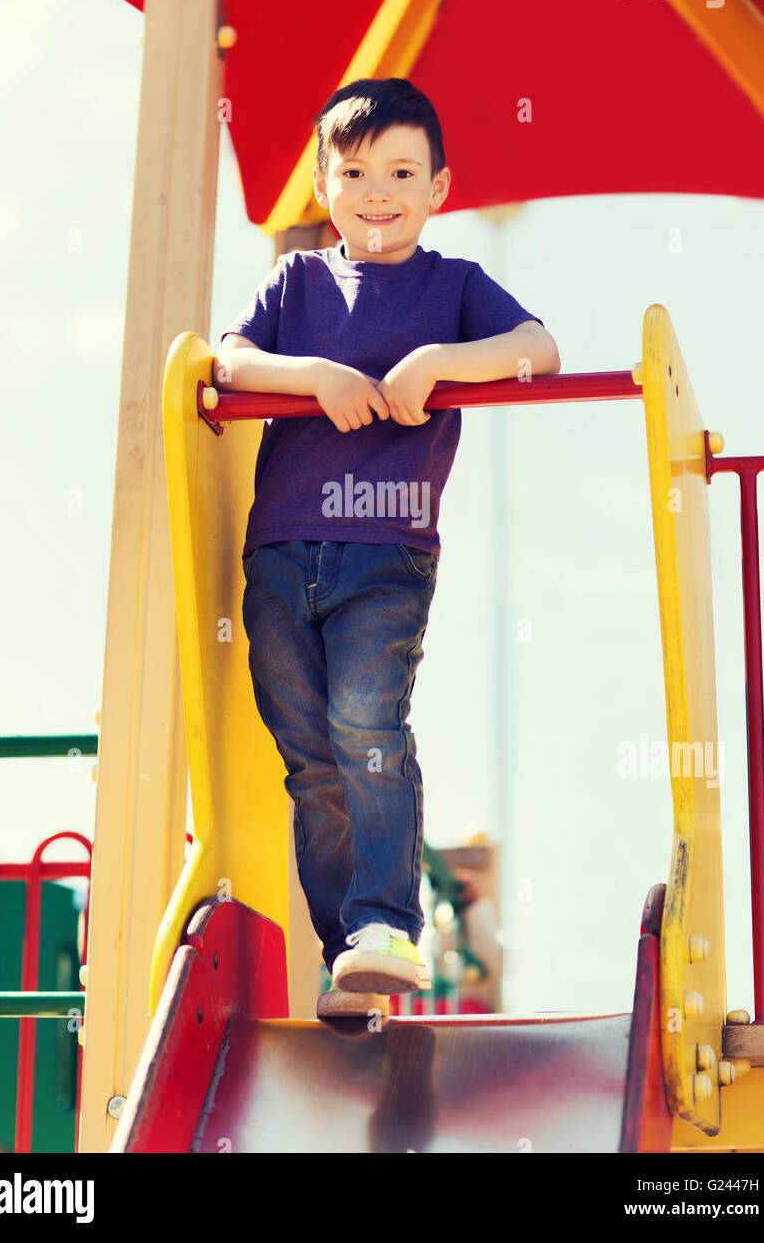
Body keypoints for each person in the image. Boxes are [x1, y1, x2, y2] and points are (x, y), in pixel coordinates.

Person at [212, 77, 560, 1019]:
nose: (378, 191)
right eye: (355, 171)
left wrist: (442, 360)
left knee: (365, 729)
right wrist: (316, 375)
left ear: (438, 188)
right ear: (323, 186)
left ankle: (385, 925)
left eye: (402, 172)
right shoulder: (298, 284)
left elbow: (539, 349)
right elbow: (230, 361)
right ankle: (349, 955)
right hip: (282, 549)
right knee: (309, 760)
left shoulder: (452, 288)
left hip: (386, 547)